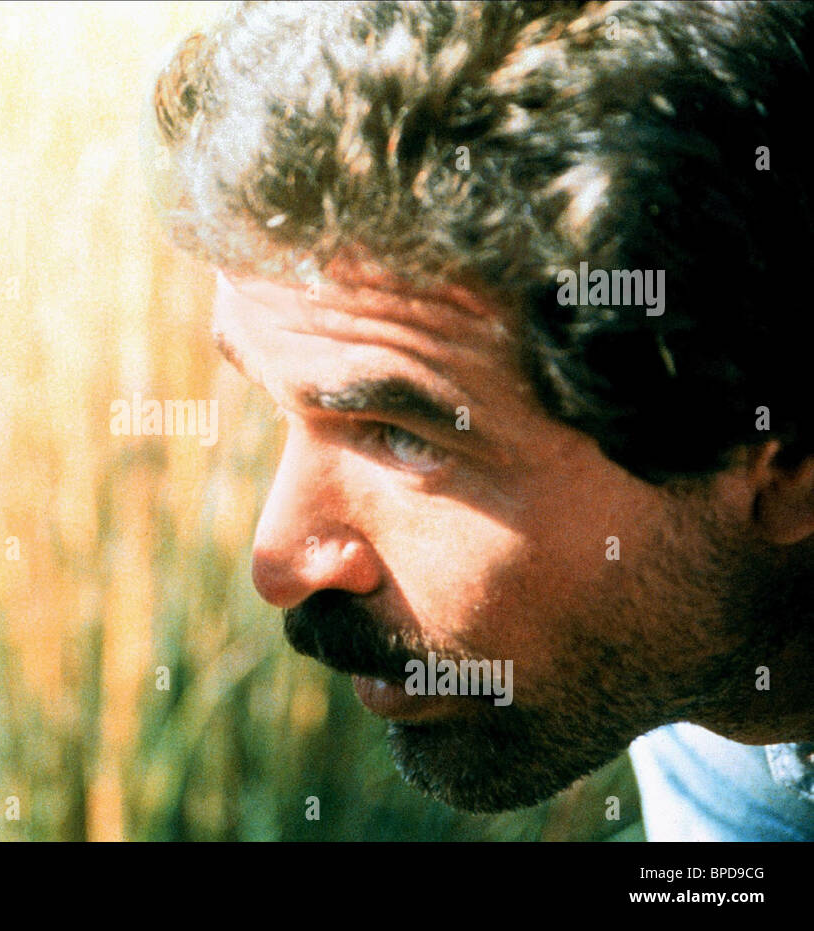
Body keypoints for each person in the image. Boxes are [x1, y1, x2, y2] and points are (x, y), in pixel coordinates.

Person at [150, 0, 814, 839]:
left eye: (405, 438)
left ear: (787, 460)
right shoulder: (713, 668)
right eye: (280, 408)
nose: (279, 563)